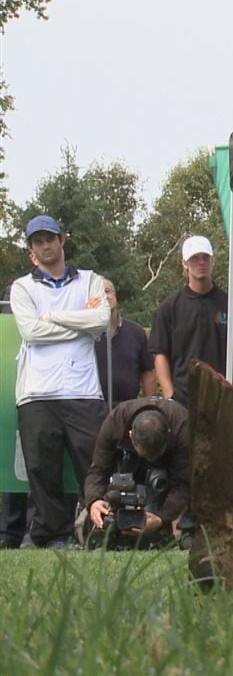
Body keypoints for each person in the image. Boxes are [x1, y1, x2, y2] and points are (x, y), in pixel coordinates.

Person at [9, 215, 110, 547]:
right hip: (37, 393)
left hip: (82, 390)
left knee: (94, 467)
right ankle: (52, 536)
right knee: (43, 471)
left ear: (62, 239)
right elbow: (30, 332)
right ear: (31, 250)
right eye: (37, 241)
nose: (45, 245)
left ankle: (101, 532)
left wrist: (52, 315)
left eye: (50, 238)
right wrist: (80, 321)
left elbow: (100, 320)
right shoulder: (23, 287)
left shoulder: (91, 281)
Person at [150, 235, 233, 404]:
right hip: (182, 400)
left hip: (221, 399)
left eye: (205, 257)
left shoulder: (231, 306)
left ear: (212, 261)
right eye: (195, 258)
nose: (201, 262)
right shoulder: (169, 308)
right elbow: (160, 353)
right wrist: (169, 395)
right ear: (184, 263)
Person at [81, 398, 190, 548]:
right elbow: (98, 470)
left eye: (155, 454)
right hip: (127, 469)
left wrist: (161, 517)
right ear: (130, 435)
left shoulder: (183, 427)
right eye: (146, 455)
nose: (150, 459)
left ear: (169, 433)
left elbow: (183, 484)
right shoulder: (115, 422)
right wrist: (94, 501)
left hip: (166, 477)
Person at [94, 277, 157, 406]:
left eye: (107, 291)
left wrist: (148, 406)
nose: (105, 296)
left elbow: (148, 373)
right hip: (93, 411)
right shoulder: (85, 335)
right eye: (99, 293)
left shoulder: (136, 332)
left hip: (128, 409)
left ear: (115, 295)